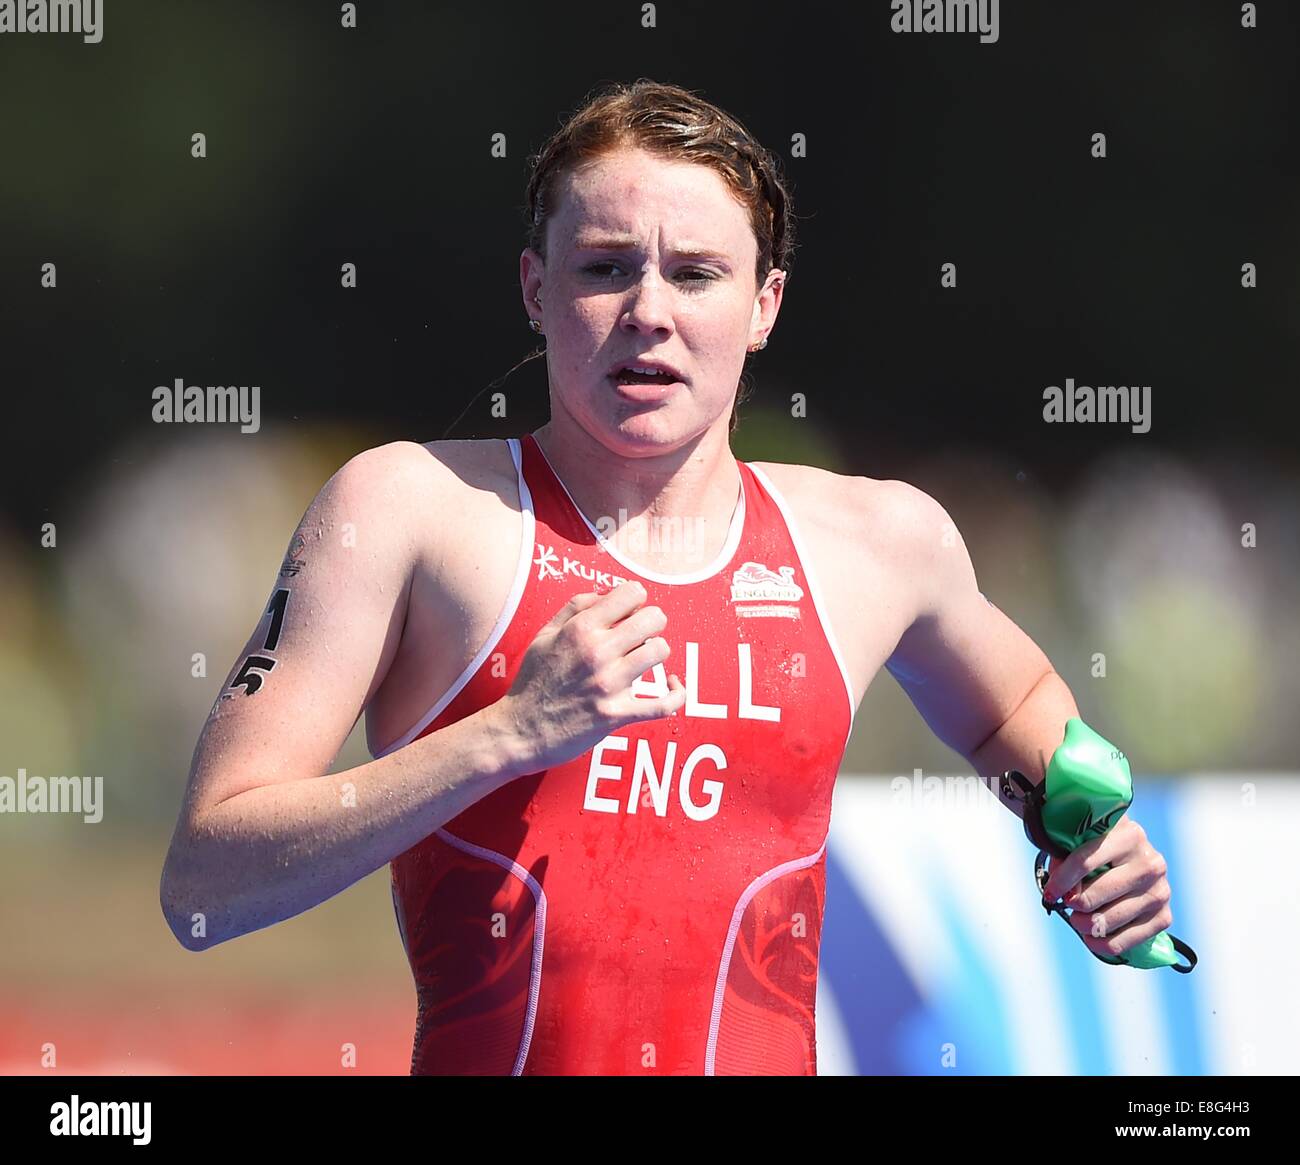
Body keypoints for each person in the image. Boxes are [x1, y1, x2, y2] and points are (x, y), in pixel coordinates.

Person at [160, 78, 1177, 1075]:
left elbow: (1020, 711)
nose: (648, 310)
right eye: (605, 267)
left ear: (764, 302)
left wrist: (1085, 834)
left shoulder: (878, 542)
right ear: (533, 287)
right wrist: (503, 738)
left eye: (694, 273)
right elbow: (206, 884)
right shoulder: (407, 512)